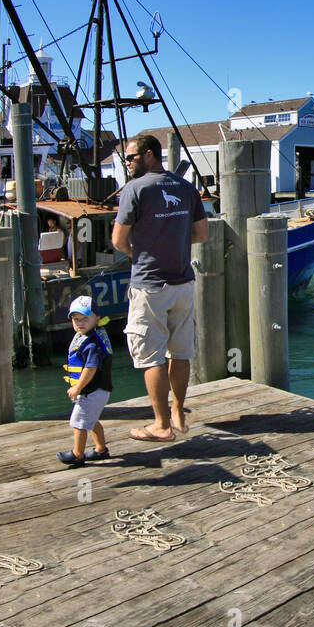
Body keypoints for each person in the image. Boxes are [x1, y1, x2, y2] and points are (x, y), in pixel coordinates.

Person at [112, 133, 209, 442]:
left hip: (150, 286)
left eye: (131, 158)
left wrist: (140, 253)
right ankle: (178, 413)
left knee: (150, 356)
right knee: (180, 352)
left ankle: (161, 425)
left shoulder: (134, 189)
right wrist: (173, 244)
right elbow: (202, 234)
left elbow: (117, 241)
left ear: (150, 155)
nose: (127, 163)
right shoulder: (186, 188)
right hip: (183, 283)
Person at [58, 295, 114, 466]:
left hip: (93, 391)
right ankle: (100, 449)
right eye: (76, 319)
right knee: (91, 420)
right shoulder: (87, 336)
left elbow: (91, 369)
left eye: (85, 319)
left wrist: (77, 388)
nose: (80, 323)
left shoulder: (92, 344)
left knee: (79, 423)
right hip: (95, 391)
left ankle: (78, 454)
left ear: (97, 319)